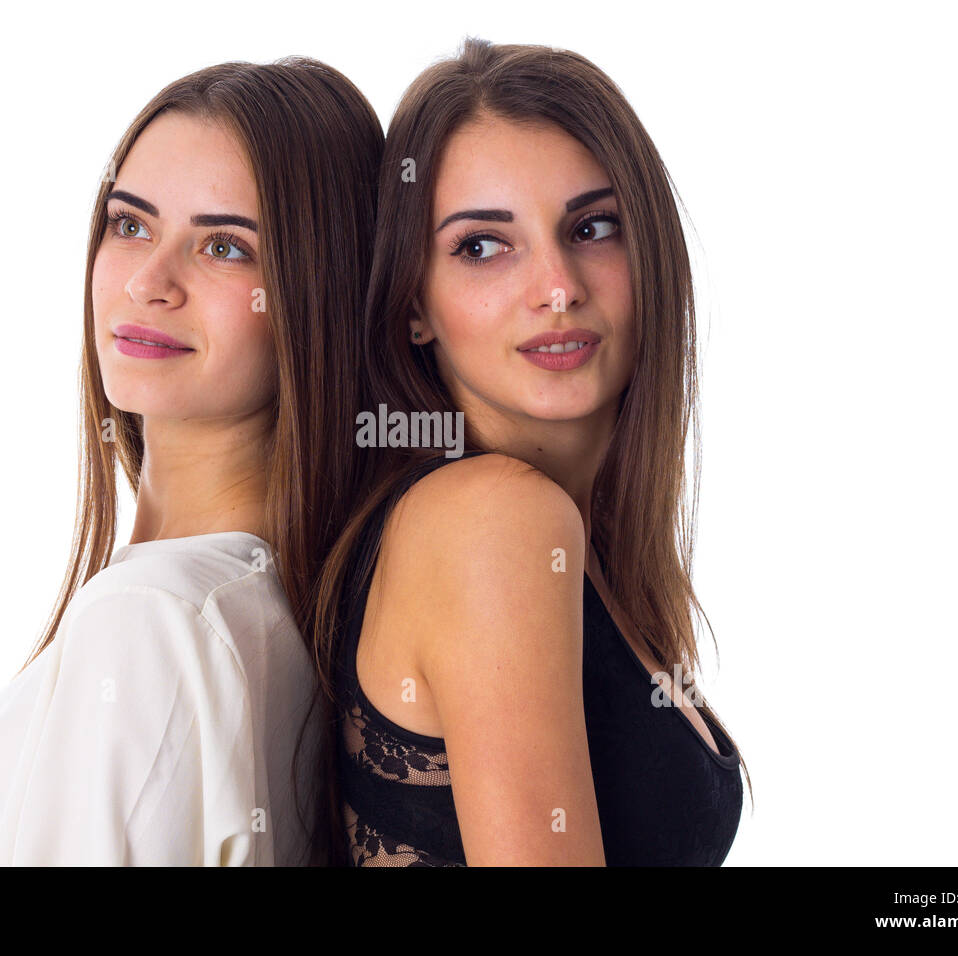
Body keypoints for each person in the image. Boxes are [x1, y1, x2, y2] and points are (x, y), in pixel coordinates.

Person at [0, 58, 383, 865]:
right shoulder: (273, 614)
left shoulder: (152, 617)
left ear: (320, 295)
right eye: (130, 225)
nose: (147, 280)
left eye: (226, 247)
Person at [310, 37, 751, 866]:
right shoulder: (497, 520)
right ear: (414, 305)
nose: (557, 285)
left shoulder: (576, 542)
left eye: (593, 227)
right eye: (481, 245)